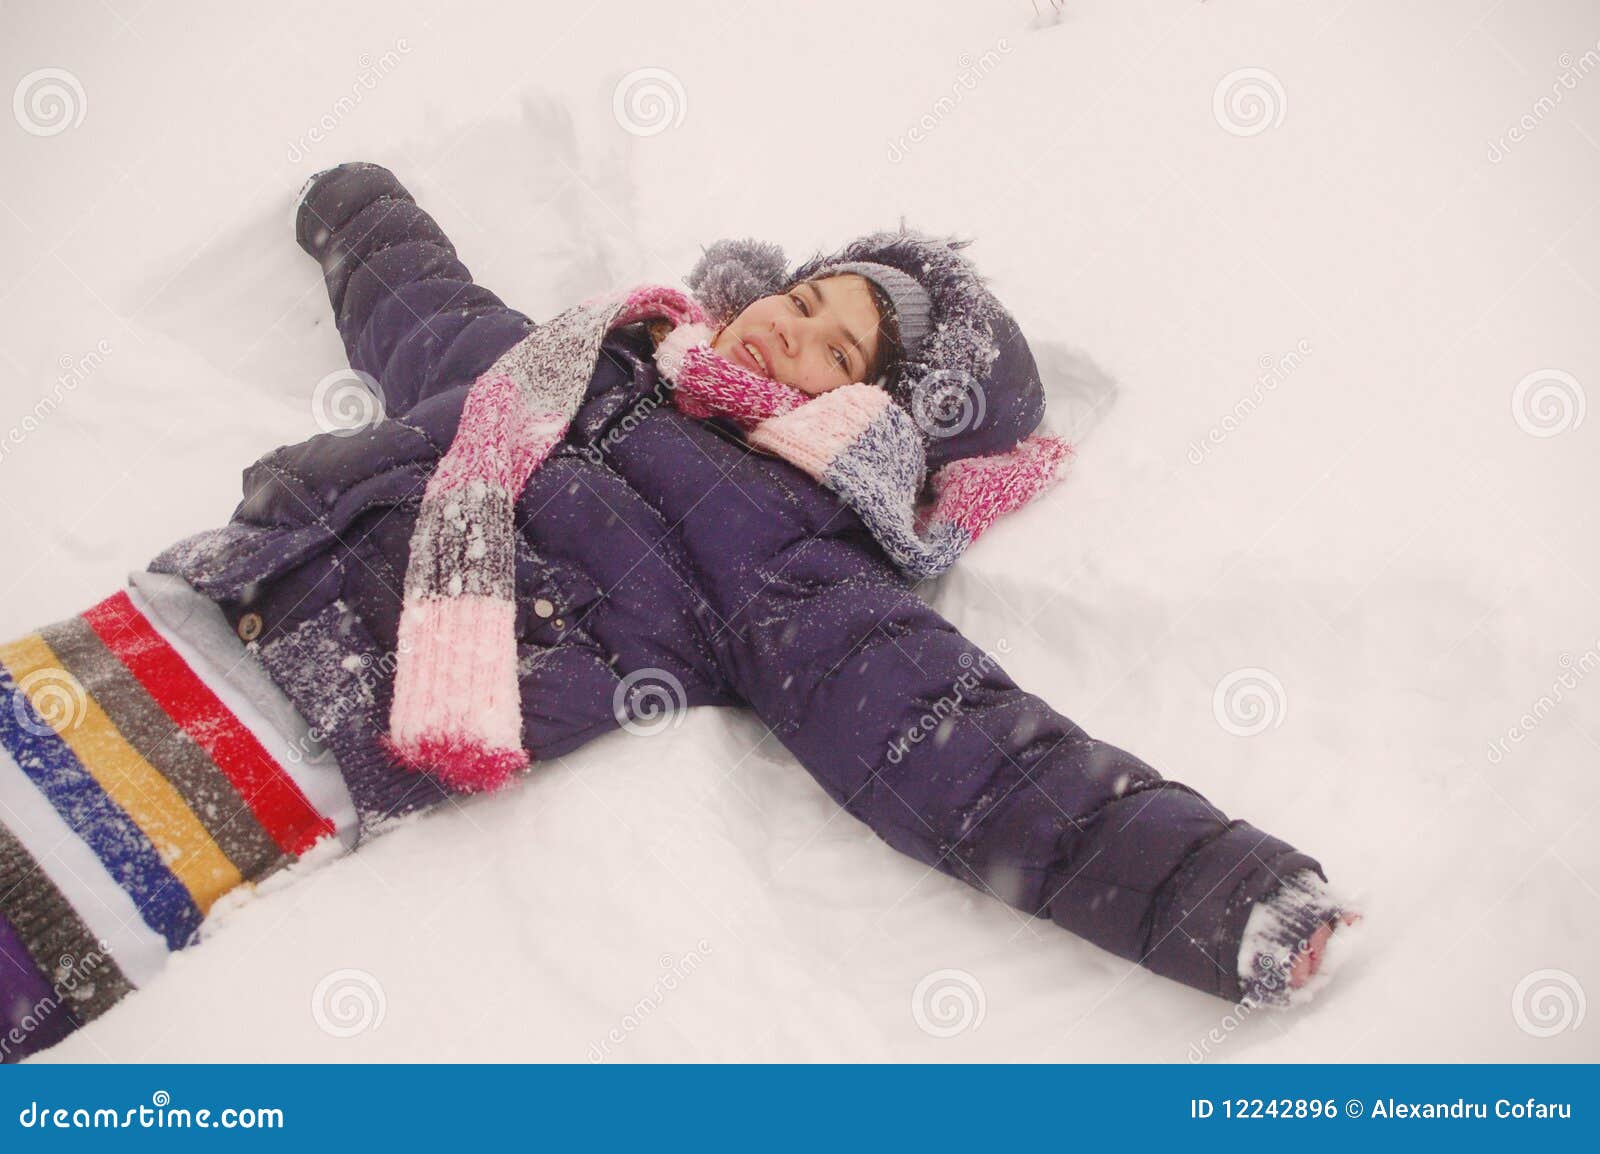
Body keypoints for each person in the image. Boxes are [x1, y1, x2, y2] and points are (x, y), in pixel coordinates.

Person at [0, 162, 1360, 1061]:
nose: (797, 336)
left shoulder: (798, 557)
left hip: (306, 743)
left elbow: (979, 756)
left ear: (886, 433)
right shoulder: (572, 359)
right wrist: (362, 220)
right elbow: (422, 315)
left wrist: (1222, 889)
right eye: (810, 301)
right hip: (191, 601)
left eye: (844, 358)